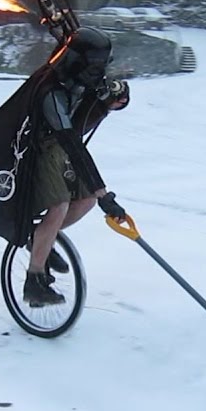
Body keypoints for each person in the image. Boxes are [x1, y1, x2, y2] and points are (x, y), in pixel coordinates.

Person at [23, 27, 130, 307]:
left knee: (86, 200)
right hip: (40, 149)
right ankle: (34, 280)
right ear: (78, 63)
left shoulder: (77, 80)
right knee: (59, 205)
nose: (99, 73)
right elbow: (72, 142)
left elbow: (88, 110)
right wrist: (104, 194)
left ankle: (40, 238)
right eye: (94, 67)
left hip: (61, 146)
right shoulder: (51, 93)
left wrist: (111, 101)